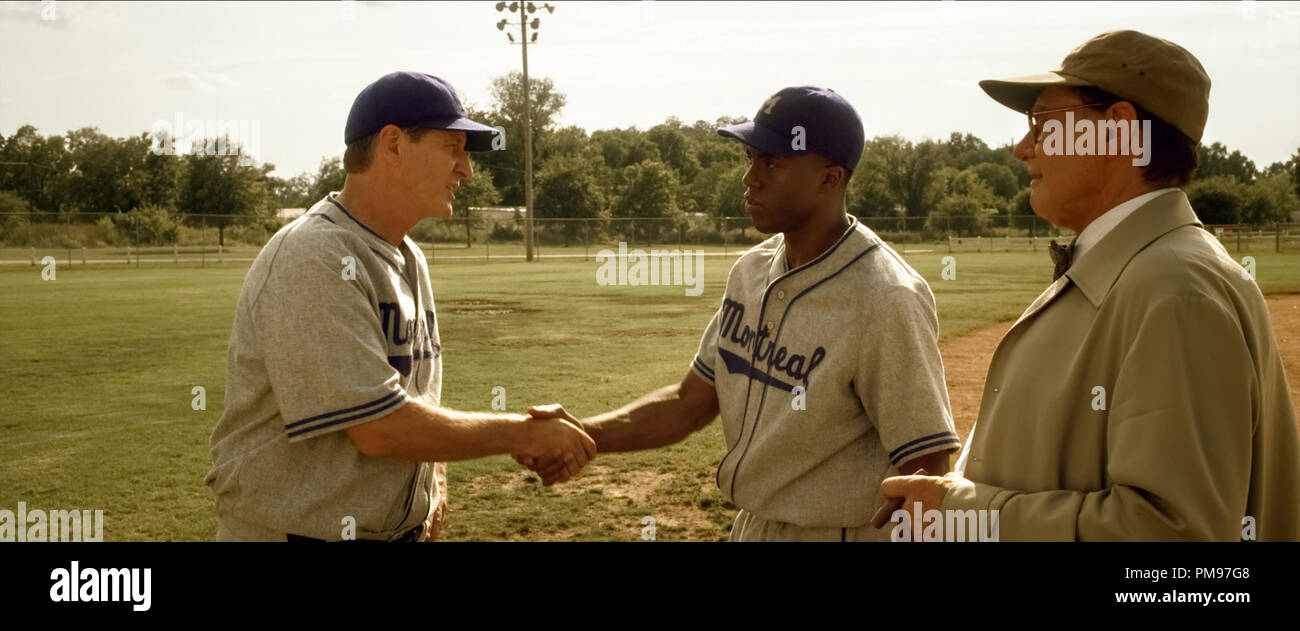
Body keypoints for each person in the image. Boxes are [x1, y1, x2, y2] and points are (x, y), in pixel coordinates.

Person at [880, 30, 1300, 541]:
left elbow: (1173, 543)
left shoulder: (1174, 289)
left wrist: (961, 512)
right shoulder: (1141, 269)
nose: (1021, 147)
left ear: (1120, 130)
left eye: (1042, 123)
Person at [519, 86, 960, 542]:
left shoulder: (886, 297)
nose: (750, 178)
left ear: (830, 178)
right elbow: (690, 403)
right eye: (751, 158)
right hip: (753, 526)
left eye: (772, 163)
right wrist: (581, 434)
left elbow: (926, 463)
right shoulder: (750, 271)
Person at [206, 71, 595, 542]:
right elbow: (380, 427)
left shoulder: (407, 255)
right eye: (452, 148)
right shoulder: (315, 254)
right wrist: (524, 433)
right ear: (392, 144)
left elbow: (411, 400)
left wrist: (433, 484)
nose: (466, 170)